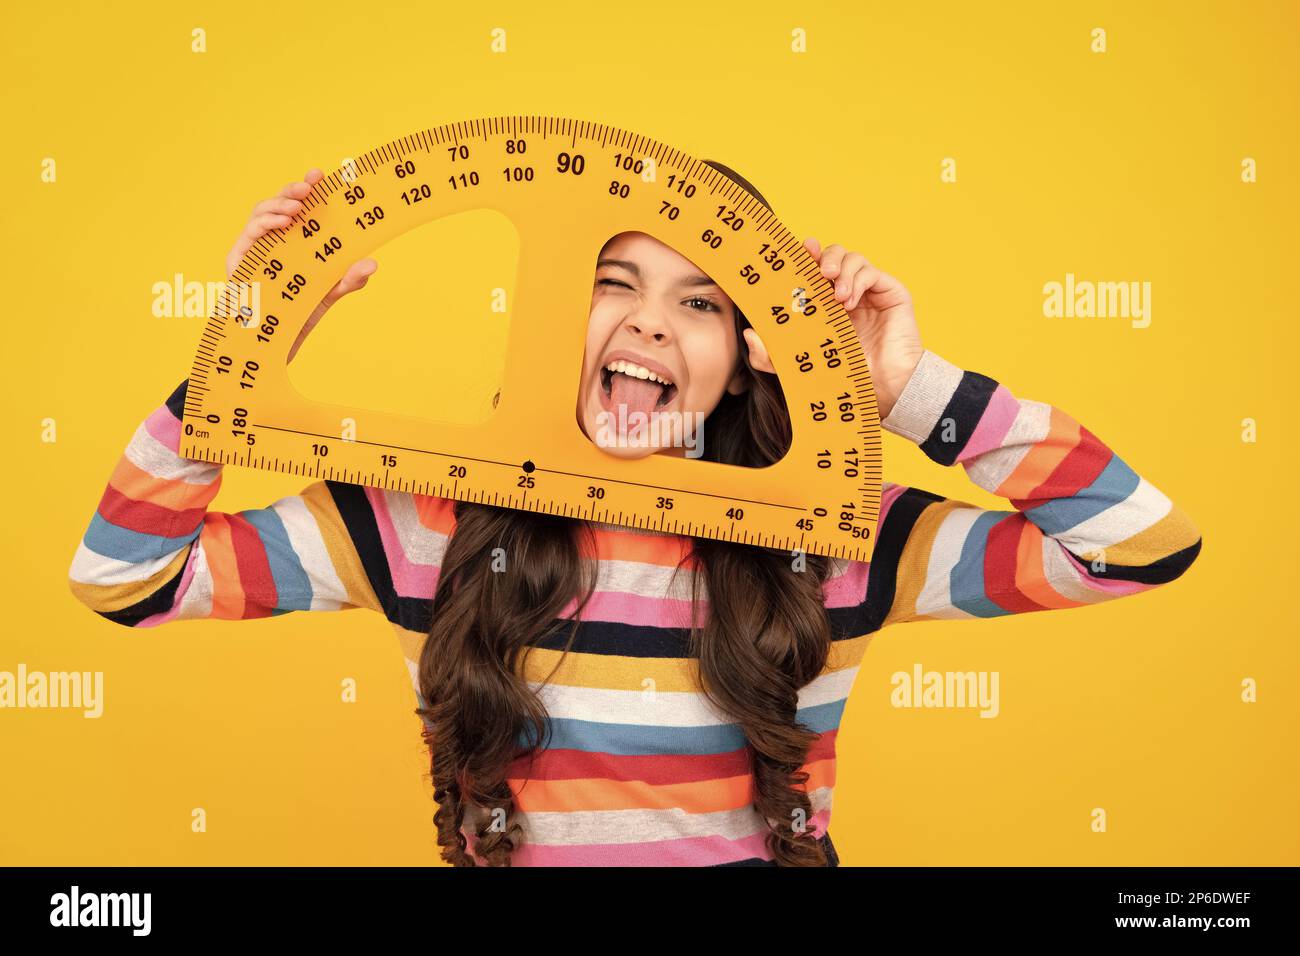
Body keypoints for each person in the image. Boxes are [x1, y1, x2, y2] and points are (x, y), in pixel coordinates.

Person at [67, 160, 1202, 866]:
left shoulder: (834, 536)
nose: (651, 324)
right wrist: (248, 352)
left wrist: (903, 392)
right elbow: (125, 576)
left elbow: (1138, 544)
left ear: (756, 359)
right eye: (615, 282)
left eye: (703, 301)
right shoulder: (421, 523)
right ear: (556, 316)